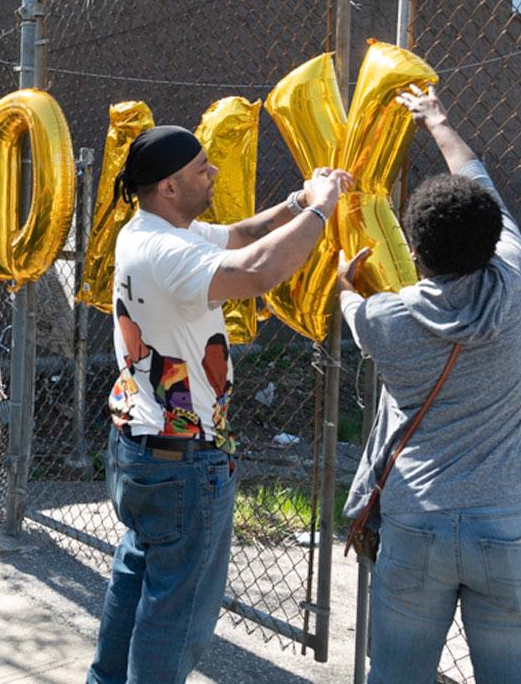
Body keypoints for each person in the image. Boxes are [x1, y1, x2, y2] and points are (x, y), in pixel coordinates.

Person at [86, 125, 350, 684]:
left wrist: (297, 202)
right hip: (182, 460)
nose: (213, 173)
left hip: (143, 446)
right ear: (169, 186)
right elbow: (257, 270)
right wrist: (323, 211)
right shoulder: (165, 250)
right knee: (176, 616)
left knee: (136, 579)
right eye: (202, 168)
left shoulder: (149, 230)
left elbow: (236, 237)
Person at [338, 84, 521, 684]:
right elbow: (478, 178)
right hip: (509, 522)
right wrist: (437, 121)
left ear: (413, 251)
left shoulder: (384, 319)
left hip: (417, 523)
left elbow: (348, 303)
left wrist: (344, 279)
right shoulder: (516, 280)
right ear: (494, 239)